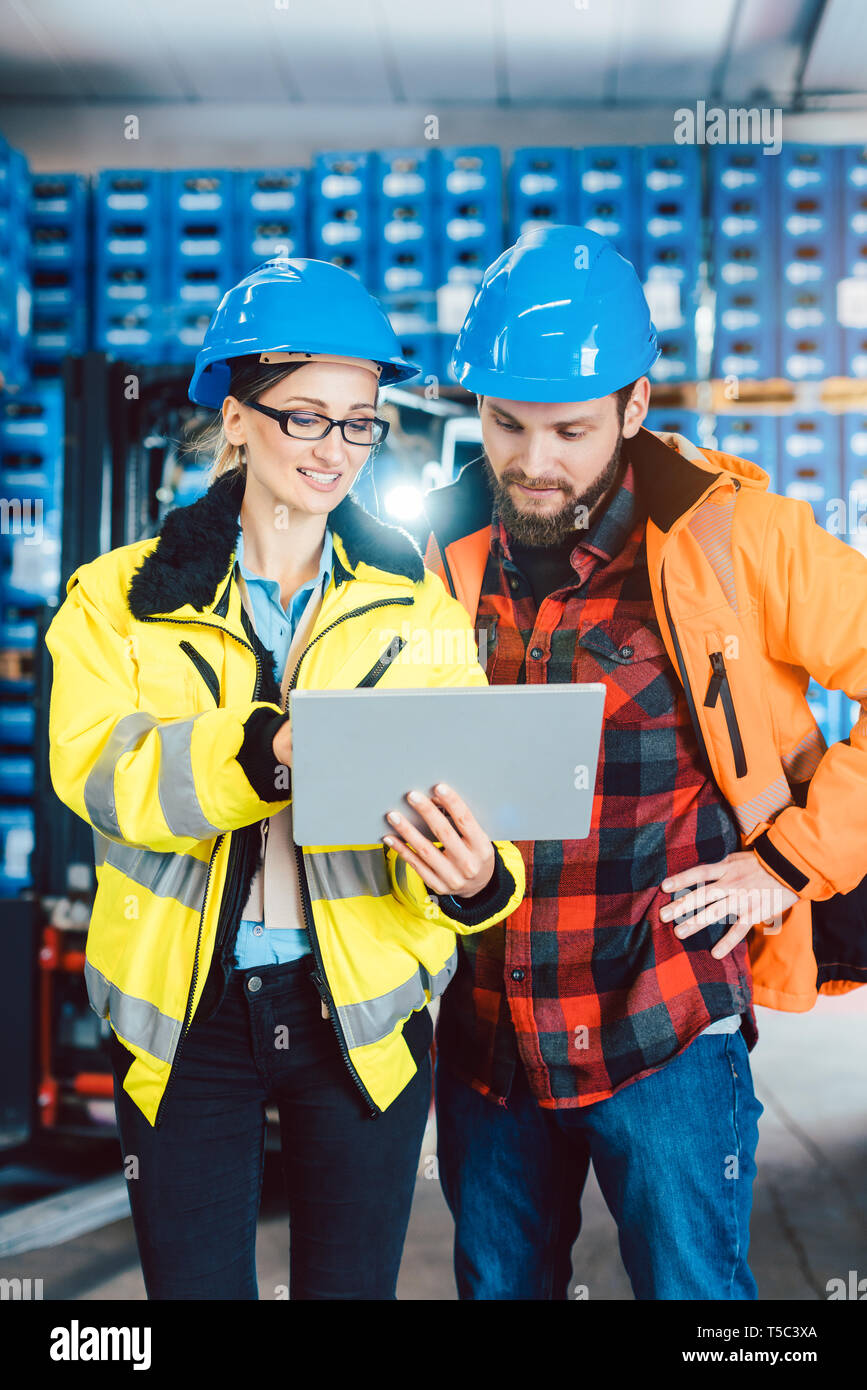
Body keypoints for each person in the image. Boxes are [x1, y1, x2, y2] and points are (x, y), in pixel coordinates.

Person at [44, 256, 525, 1300]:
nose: (337, 448)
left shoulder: (417, 608)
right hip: (187, 1018)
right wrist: (261, 753)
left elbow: (475, 810)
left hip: (360, 1014)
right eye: (306, 416)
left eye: (358, 422)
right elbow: (102, 774)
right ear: (236, 413)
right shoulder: (118, 600)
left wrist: (474, 875)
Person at [421, 224, 867, 1300]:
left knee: (695, 1302)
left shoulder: (737, 539)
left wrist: (790, 862)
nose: (534, 462)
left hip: (666, 1018)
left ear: (634, 407)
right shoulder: (442, 549)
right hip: (490, 1026)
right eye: (505, 424)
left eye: (570, 430)